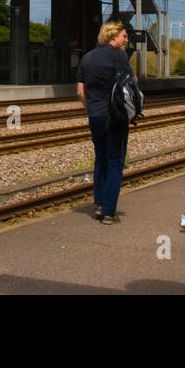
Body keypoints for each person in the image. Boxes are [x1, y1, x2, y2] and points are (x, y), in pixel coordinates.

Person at [77, 20, 133, 224]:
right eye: (124, 36)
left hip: (95, 116)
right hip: (115, 116)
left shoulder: (87, 58)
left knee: (100, 158)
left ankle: (99, 204)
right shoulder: (119, 56)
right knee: (116, 160)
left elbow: (80, 92)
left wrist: (92, 109)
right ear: (113, 36)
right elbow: (130, 85)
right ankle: (109, 212)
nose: (126, 40)